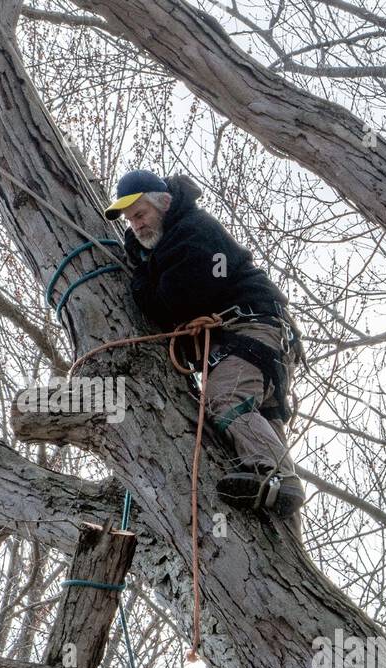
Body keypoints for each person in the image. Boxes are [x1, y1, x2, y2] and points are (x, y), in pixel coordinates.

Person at [104, 169, 306, 525]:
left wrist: (139, 276)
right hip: (255, 339)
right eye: (130, 220)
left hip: (251, 329)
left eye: (140, 214)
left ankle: (278, 478)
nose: (135, 225)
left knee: (225, 397)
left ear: (163, 204)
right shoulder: (170, 241)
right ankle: (280, 506)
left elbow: (173, 303)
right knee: (258, 424)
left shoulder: (193, 231)